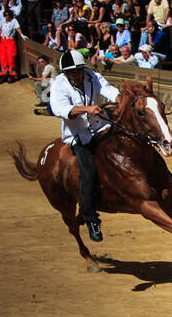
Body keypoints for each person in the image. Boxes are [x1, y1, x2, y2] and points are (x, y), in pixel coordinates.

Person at [48, 50, 122, 242]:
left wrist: (120, 99)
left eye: (79, 71)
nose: (77, 75)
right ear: (65, 73)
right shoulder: (59, 85)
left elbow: (108, 89)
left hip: (102, 126)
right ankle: (90, 219)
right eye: (72, 73)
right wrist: (87, 109)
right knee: (87, 172)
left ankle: (170, 178)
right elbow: (60, 109)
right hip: (79, 135)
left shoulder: (92, 76)